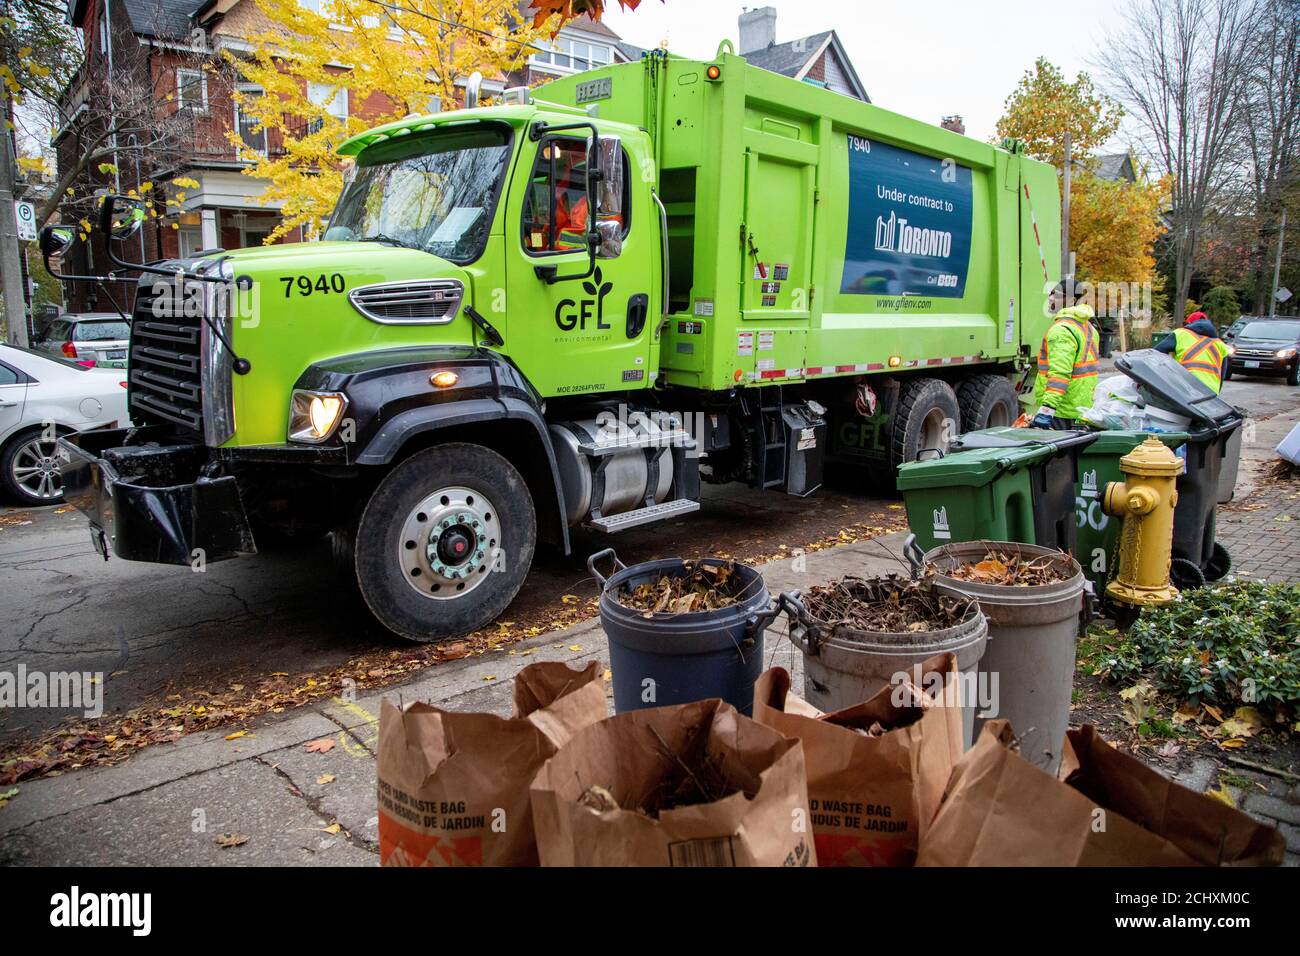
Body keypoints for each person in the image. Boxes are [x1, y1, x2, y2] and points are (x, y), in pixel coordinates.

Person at [1031, 282, 1101, 429]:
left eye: (1056, 295)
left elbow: (1060, 374)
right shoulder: (1088, 327)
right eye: (1050, 293)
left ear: (1071, 300)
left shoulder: (1061, 331)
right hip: (1081, 408)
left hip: (1061, 411)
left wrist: (1047, 409)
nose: (1050, 298)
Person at [1155, 311, 1229, 393]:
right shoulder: (1220, 345)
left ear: (1190, 324)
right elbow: (1222, 375)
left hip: (1185, 385)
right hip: (1211, 391)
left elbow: (1156, 353)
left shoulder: (1180, 334)